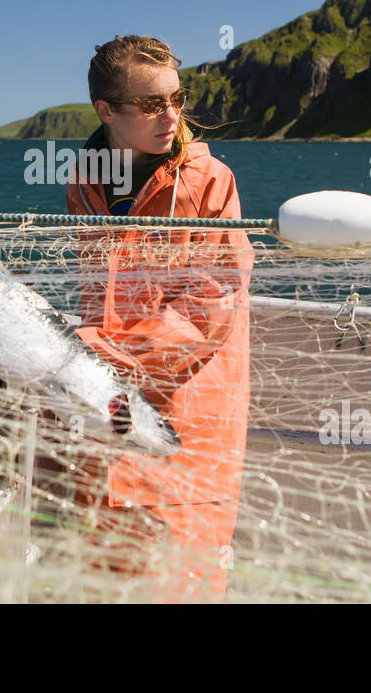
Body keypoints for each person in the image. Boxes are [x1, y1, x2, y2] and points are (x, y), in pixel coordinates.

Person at [64, 34, 253, 599]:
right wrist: (96, 362)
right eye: (151, 104)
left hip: (188, 402)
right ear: (106, 111)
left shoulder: (210, 183)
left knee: (181, 564)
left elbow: (212, 304)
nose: (171, 115)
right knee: (107, 550)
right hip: (108, 394)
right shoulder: (84, 179)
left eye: (177, 98)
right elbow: (93, 288)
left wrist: (97, 353)